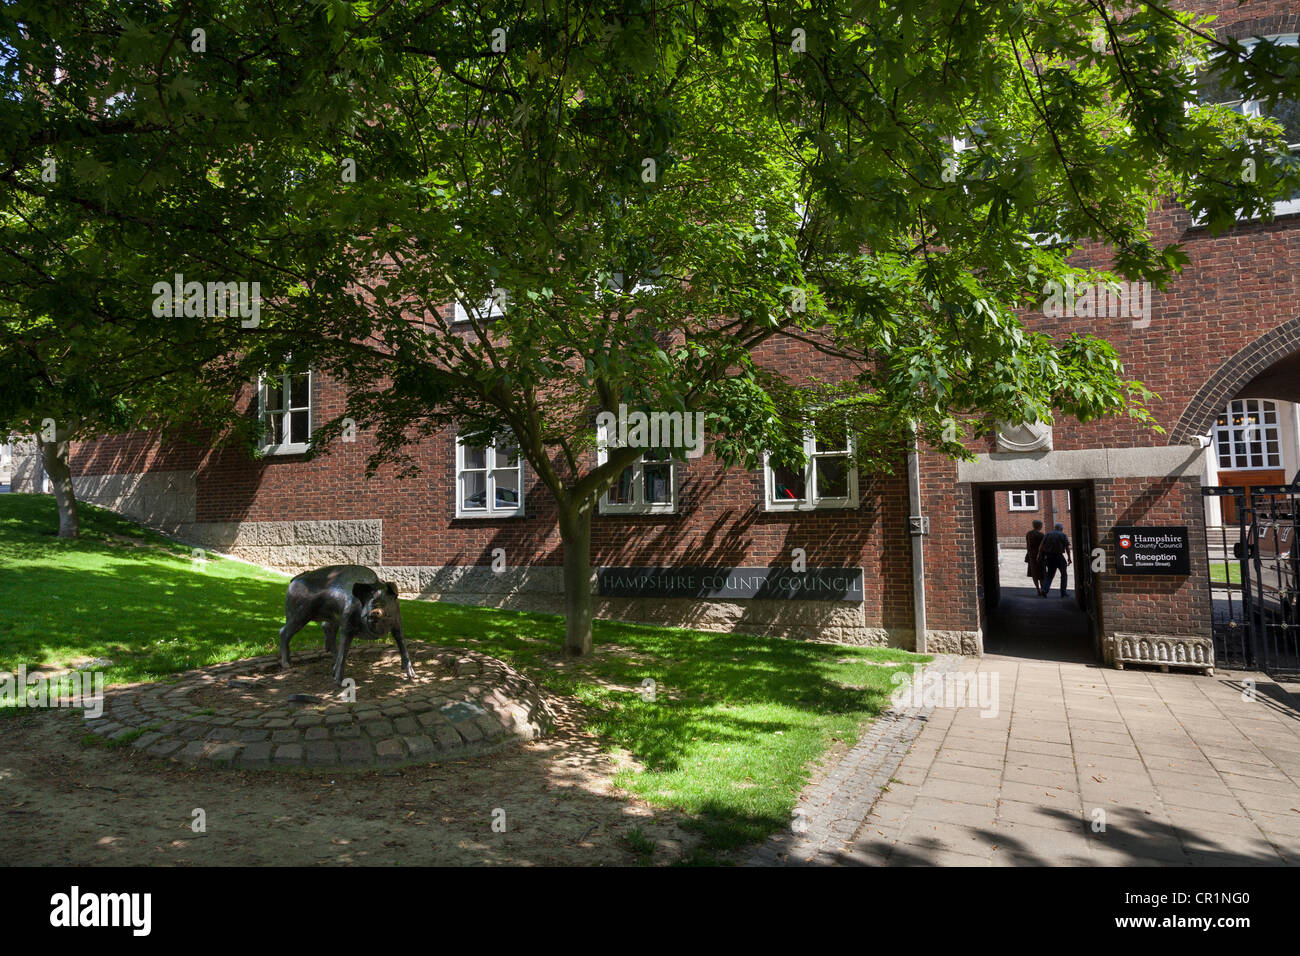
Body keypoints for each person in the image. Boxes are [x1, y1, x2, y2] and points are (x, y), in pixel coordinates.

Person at [1039, 522, 1071, 597]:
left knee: (1049, 574)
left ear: (1055, 528)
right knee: (1064, 574)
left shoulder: (1048, 534)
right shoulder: (1063, 535)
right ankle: (1063, 592)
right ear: (1061, 529)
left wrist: (1039, 555)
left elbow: (1041, 546)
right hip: (1059, 556)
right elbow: (1067, 547)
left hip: (1049, 556)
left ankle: (1045, 590)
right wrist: (1069, 557)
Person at [1024, 519, 1045, 595]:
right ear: (1039, 526)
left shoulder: (1028, 534)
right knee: (1041, 573)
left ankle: (1037, 589)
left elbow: (1028, 545)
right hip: (1040, 556)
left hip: (1031, 555)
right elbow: (1043, 547)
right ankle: (1042, 589)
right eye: (1041, 525)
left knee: (1034, 573)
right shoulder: (1041, 535)